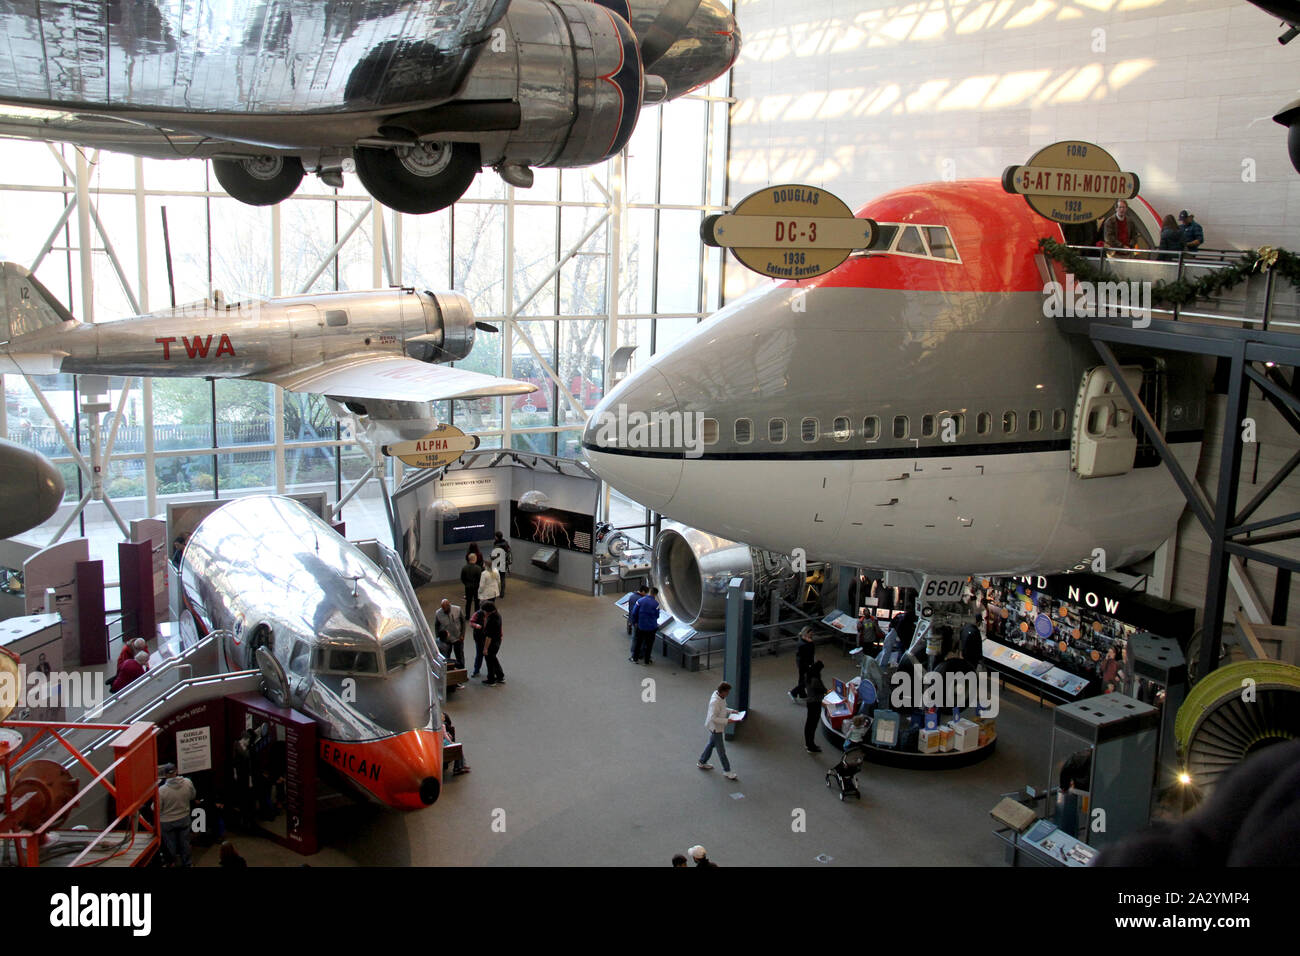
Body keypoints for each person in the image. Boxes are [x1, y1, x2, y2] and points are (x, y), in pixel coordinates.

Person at [697, 681, 738, 780]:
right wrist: (728, 720)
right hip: (715, 728)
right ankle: (727, 770)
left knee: (711, 744)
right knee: (721, 751)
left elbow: (723, 708)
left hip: (716, 728)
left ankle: (702, 761)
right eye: (727, 692)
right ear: (722, 692)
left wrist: (731, 711)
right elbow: (713, 718)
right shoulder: (715, 702)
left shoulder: (720, 697)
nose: (728, 694)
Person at [158, 763, 196, 867]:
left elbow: (156, 808)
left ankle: (172, 863)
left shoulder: (162, 790)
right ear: (176, 771)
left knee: (170, 844)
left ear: (165, 775)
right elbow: (193, 796)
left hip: (167, 822)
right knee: (185, 843)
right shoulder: (187, 783)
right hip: (184, 818)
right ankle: (187, 863)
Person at [630, 586, 661, 665]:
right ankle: (646, 661)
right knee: (649, 644)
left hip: (641, 626)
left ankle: (635, 658)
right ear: (655, 594)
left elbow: (634, 613)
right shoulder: (656, 604)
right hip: (651, 627)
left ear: (649, 592)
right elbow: (657, 615)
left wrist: (635, 622)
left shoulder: (640, 601)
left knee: (638, 642)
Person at [434, 599, 466, 669]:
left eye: (446, 608)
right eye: (443, 608)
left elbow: (463, 622)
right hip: (446, 640)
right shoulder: (438, 613)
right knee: (446, 657)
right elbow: (436, 626)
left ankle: (461, 670)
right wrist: (438, 638)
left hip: (458, 637)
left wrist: (462, 634)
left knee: (459, 655)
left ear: (449, 605)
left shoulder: (457, 609)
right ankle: (448, 671)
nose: (445, 610)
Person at [804, 661, 827, 753]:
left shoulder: (808, 675)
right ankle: (811, 746)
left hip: (810, 702)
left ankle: (808, 744)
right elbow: (822, 689)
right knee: (812, 725)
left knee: (809, 724)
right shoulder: (815, 680)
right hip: (815, 703)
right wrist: (827, 691)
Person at [479, 601, 505, 686]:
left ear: (488, 611)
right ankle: (500, 676)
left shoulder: (491, 620)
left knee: (489, 661)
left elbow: (488, 637)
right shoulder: (498, 616)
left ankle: (491, 679)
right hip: (497, 641)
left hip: (492, 643)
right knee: (493, 658)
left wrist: (485, 648)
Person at [789, 626, 815, 702]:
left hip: (801, 663)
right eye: (810, 633)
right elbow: (809, 655)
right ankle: (793, 692)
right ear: (806, 633)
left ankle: (802, 694)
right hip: (805, 664)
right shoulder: (806, 644)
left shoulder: (802, 641)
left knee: (802, 679)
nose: (812, 635)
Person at [490, 531, 512, 597]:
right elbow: (508, 552)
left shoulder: (496, 545)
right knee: (502, 578)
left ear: (496, 537)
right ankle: (502, 592)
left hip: (496, 563)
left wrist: (491, 557)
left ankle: (495, 592)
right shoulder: (506, 543)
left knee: (494, 578)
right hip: (504, 563)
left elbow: (494, 555)